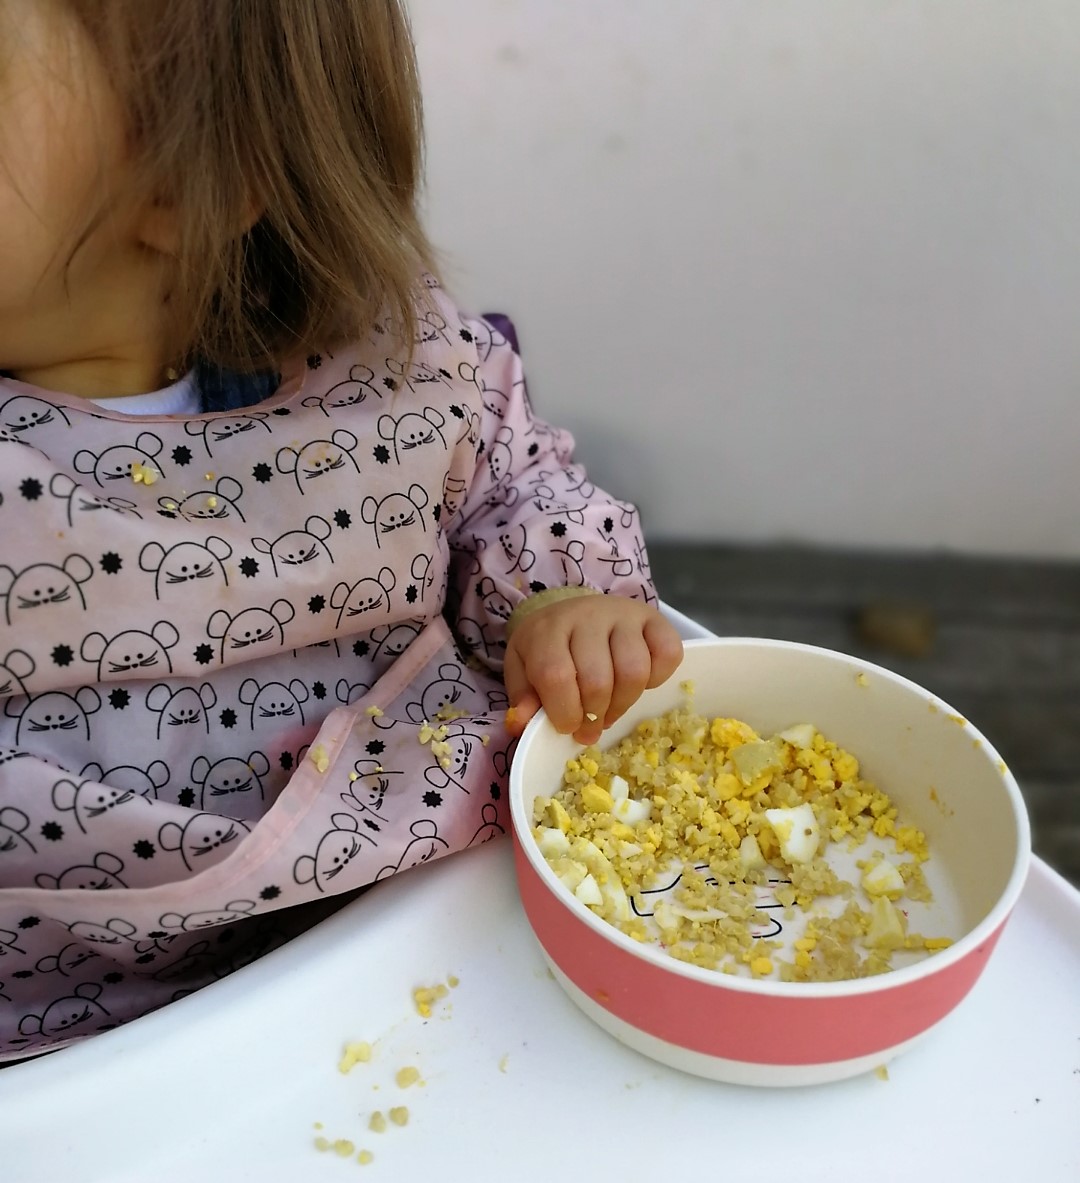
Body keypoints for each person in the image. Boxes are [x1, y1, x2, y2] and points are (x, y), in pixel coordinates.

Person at [0, 0, 682, 1059]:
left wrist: (558, 605)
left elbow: (513, 490)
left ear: (187, 188)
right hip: (77, 1046)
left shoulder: (393, 380)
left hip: (421, 956)